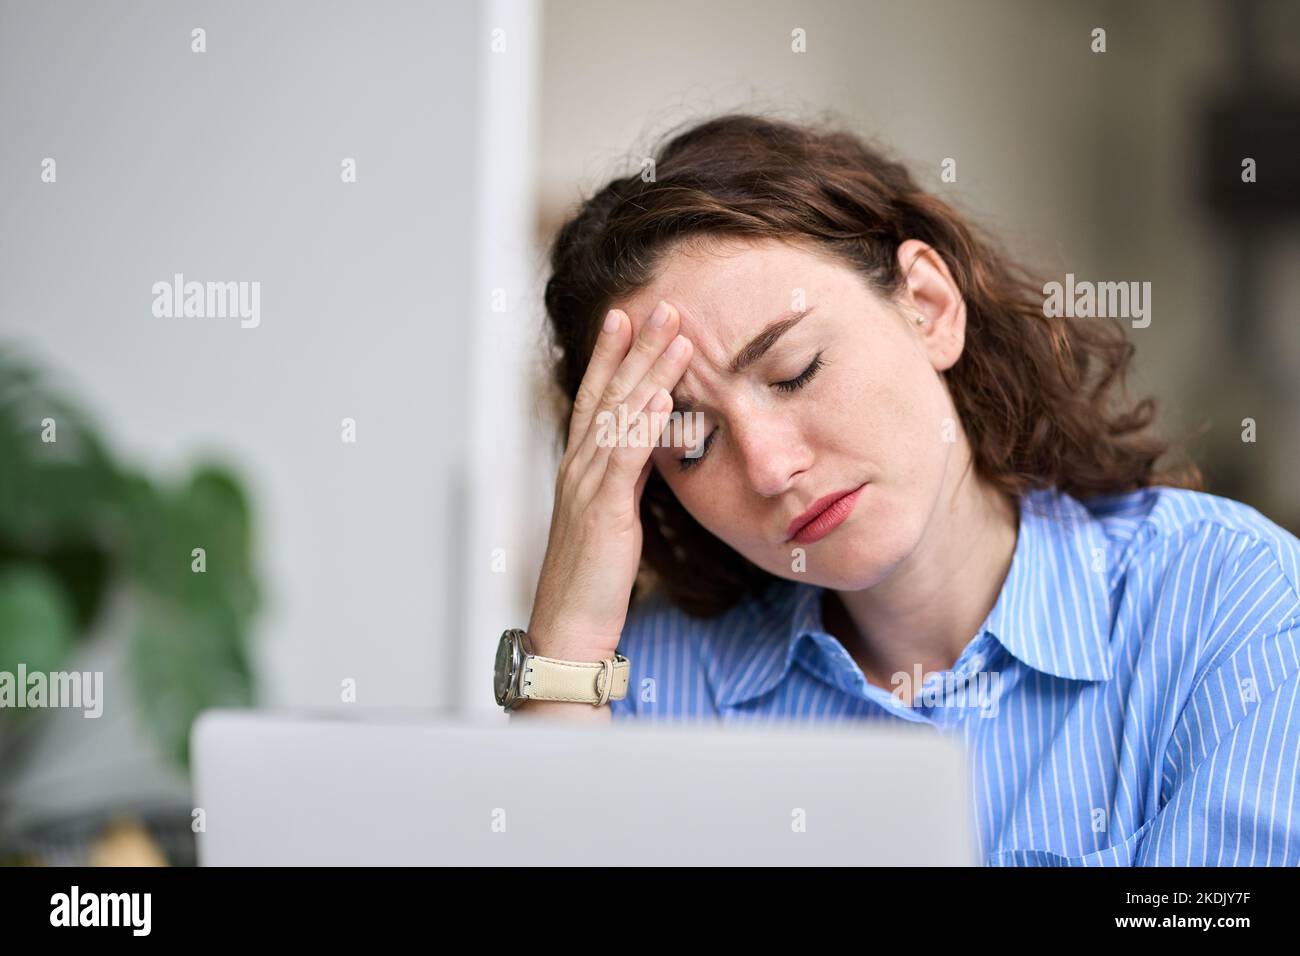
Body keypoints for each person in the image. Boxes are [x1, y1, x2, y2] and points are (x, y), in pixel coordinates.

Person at [515, 113, 1300, 866]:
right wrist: (565, 647)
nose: (769, 466)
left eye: (795, 372)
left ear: (928, 307)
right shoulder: (657, 684)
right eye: (691, 441)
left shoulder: (1230, 603)